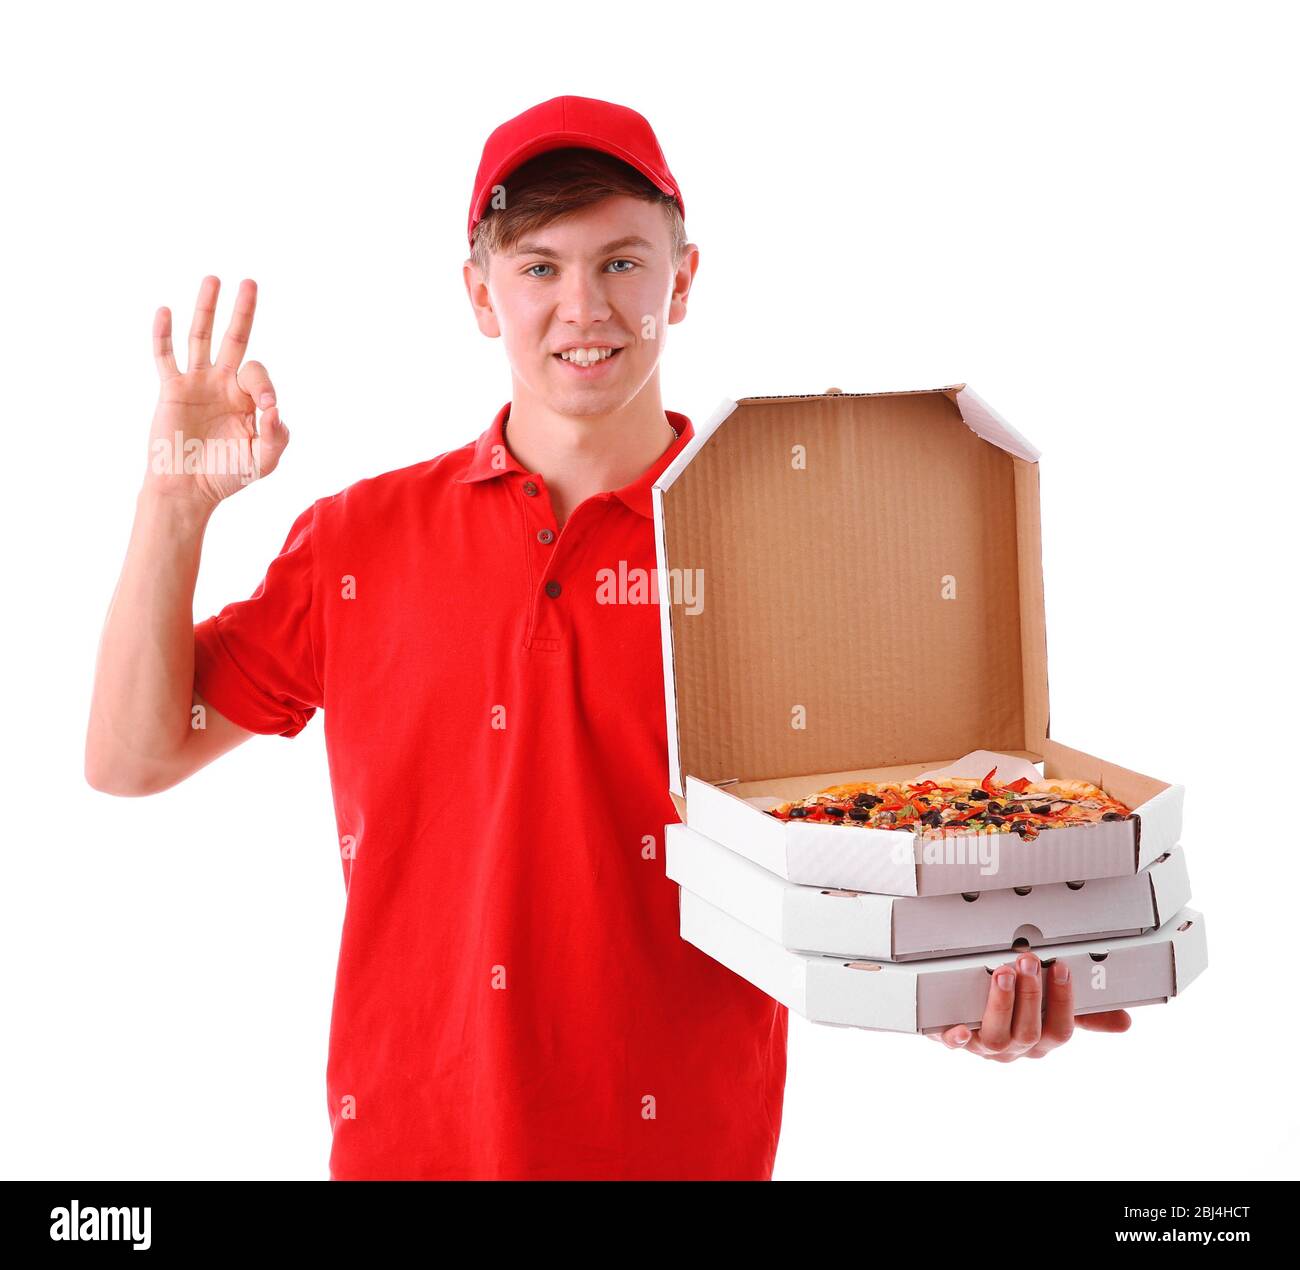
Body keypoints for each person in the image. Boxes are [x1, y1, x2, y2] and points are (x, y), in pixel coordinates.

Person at [85, 94, 1129, 1182]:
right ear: (479, 294)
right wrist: (175, 505)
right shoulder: (359, 541)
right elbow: (130, 754)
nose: (581, 305)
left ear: (682, 279)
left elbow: (866, 846)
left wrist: (971, 992)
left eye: (621, 262)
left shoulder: (788, 549)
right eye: (538, 266)